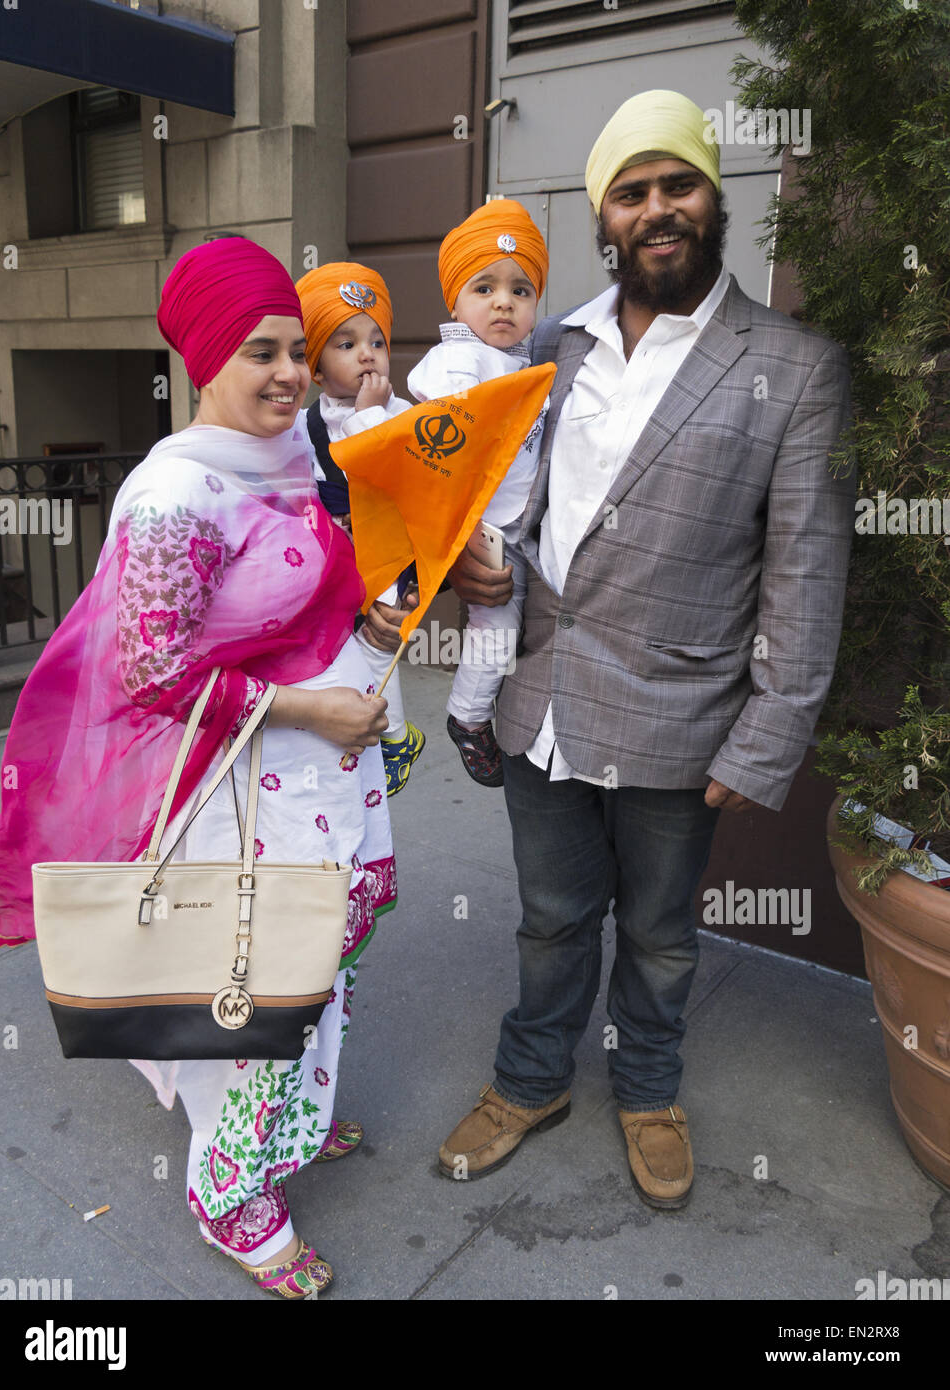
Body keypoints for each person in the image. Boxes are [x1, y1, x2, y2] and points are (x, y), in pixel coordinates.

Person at [440, 90, 856, 1208]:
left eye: (679, 185)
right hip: (542, 700)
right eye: (632, 192)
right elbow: (484, 499)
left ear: (717, 200)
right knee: (549, 917)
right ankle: (532, 1079)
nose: (657, 209)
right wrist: (466, 568)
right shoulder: (544, 346)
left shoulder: (794, 366)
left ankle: (649, 1088)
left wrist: (767, 738)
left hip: (683, 716)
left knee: (663, 936)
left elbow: (807, 575)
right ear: (602, 218)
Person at [0, 237, 396, 1298]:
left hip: (324, 778)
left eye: (299, 350)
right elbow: (155, 677)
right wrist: (313, 705)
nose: (292, 374)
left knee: (315, 973)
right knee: (264, 995)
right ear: (207, 357)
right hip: (247, 796)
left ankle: (291, 1119)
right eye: (262, 352)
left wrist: (371, 618)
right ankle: (230, 1194)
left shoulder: (290, 457)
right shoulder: (177, 498)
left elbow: (306, 598)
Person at [407, 201, 549, 787]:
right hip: (482, 528)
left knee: (511, 629)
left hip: (521, 524)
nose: (503, 301)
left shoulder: (526, 362)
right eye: (484, 286)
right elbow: (444, 433)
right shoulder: (460, 360)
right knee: (498, 632)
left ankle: (475, 712)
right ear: (455, 302)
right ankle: (467, 718)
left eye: (521, 290)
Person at [294, 261, 424, 796]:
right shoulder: (307, 425)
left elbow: (403, 480)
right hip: (339, 562)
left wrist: (371, 416)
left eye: (376, 341)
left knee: (378, 644)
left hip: (391, 551)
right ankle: (365, 734)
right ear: (318, 370)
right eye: (345, 344)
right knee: (341, 655)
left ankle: (396, 736)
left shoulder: (403, 413)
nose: (366, 353)